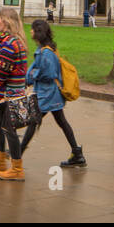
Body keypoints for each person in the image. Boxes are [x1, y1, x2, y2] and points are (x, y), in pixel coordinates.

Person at [20, 19, 84, 167]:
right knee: (61, 122)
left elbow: (48, 73)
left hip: (47, 94)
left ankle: (18, 152)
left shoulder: (46, 52)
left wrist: (32, 77)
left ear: (38, 32)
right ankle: (77, 153)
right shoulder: (47, 49)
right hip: (51, 94)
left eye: (33, 29)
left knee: (33, 121)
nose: (30, 31)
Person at [0, 7, 29, 181]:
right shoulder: (10, 41)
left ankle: (17, 168)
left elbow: (3, 70)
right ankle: (0, 161)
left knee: (9, 129)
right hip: (9, 93)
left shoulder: (10, 44)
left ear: (6, 22)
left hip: (9, 94)